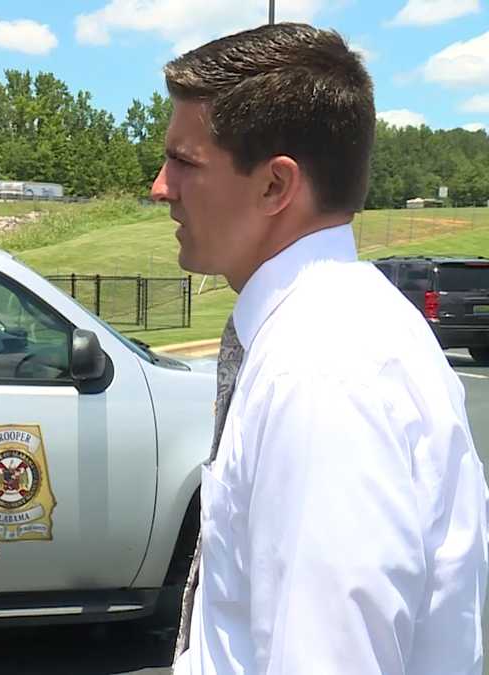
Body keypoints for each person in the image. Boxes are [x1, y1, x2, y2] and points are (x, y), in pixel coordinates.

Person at [154, 23, 488, 674]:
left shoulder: (322, 370)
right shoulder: (327, 333)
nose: (160, 186)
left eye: (185, 162)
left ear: (275, 186)